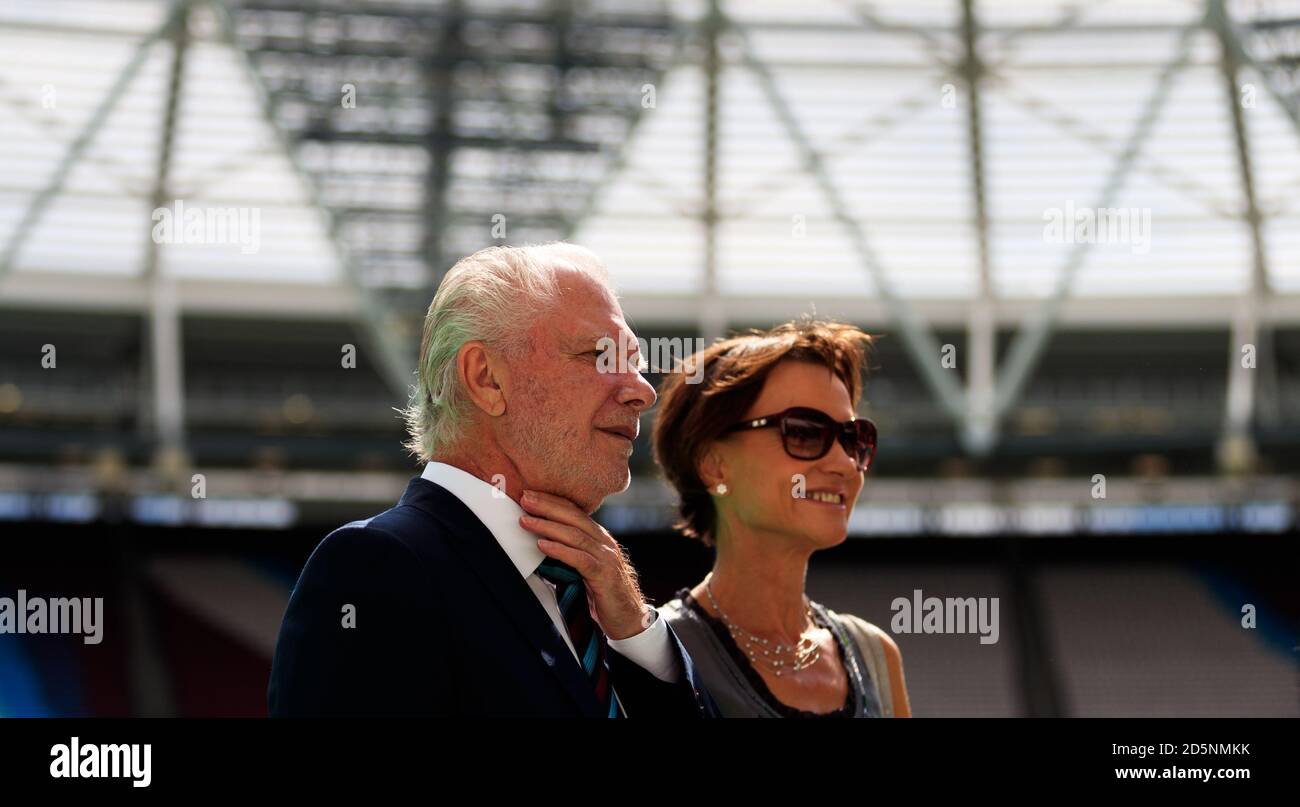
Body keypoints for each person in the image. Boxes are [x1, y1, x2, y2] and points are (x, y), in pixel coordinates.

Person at [269, 243, 716, 717]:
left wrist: (640, 634)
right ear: (486, 379)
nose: (643, 390)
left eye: (636, 362)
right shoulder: (373, 568)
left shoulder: (604, 601)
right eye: (601, 355)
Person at [654, 320, 911, 717]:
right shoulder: (661, 655)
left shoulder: (876, 657)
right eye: (806, 432)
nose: (846, 464)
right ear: (714, 465)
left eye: (853, 438)